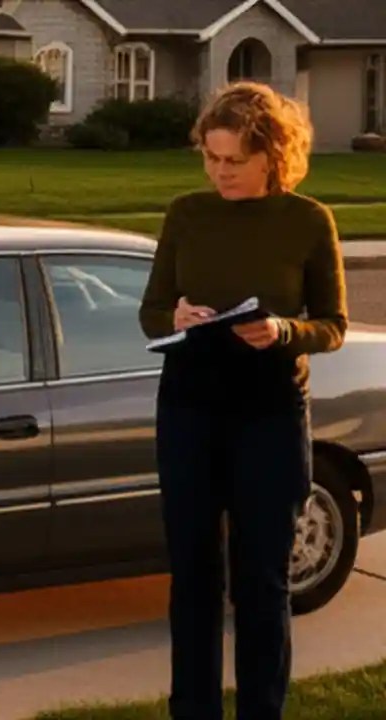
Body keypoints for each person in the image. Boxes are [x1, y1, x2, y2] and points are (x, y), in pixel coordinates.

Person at [138, 81, 348, 720]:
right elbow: (151, 315)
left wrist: (284, 331)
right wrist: (175, 314)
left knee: (261, 582)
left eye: (234, 161)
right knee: (193, 580)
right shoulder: (186, 213)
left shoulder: (309, 221)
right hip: (189, 408)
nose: (219, 171)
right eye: (211, 157)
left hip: (270, 412)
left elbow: (333, 325)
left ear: (271, 157)